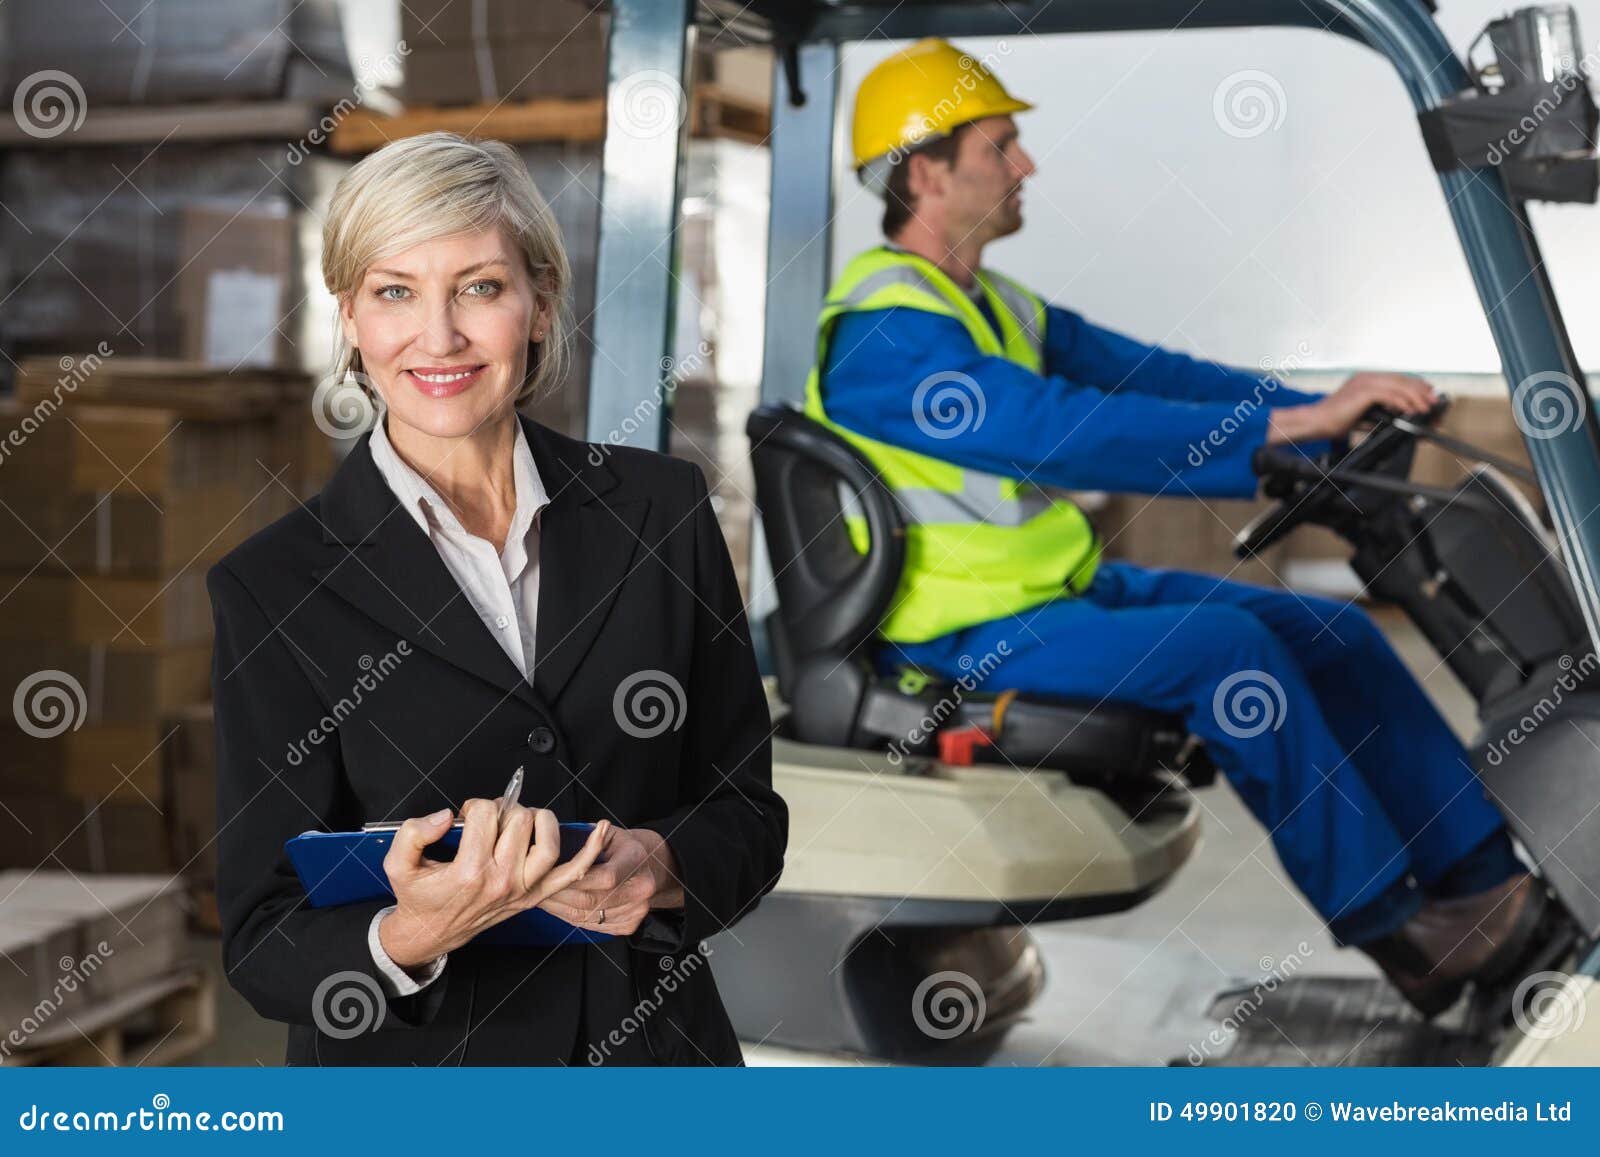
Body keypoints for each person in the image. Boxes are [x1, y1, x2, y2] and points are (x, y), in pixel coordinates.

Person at [807, 38, 1542, 1016]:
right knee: (1227, 652)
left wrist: (1324, 413)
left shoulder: (992, 305)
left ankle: (1487, 882)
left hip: (1050, 595)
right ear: (926, 169)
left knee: (1334, 632)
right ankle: (1401, 933)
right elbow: (1056, 432)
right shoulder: (882, 332)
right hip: (959, 634)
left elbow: (1152, 376)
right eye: (1001, 146)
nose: (1024, 165)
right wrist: (1281, 431)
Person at [209, 131, 786, 1065]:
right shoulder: (272, 587)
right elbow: (263, 937)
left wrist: (663, 868)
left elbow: (748, 811)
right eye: (395, 292)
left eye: (479, 287)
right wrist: (409, 935)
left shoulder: (663, 513)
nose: (438, 337)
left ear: (540, 304)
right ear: (351, 317)